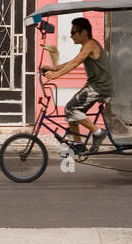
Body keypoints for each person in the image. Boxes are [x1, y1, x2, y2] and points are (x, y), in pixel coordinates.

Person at [42, 17, 112, 154]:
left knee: (71, 108)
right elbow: (74, 61)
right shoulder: (86, 47)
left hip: (99, 87)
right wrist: (54, 68)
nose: (71, 36)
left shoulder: (90, 45)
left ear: (84, 32)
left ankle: (98, 132)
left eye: (74, 32)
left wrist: (57, 75)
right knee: (71, 112)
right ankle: (78, 144)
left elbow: (75, 64)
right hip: (94, 85)